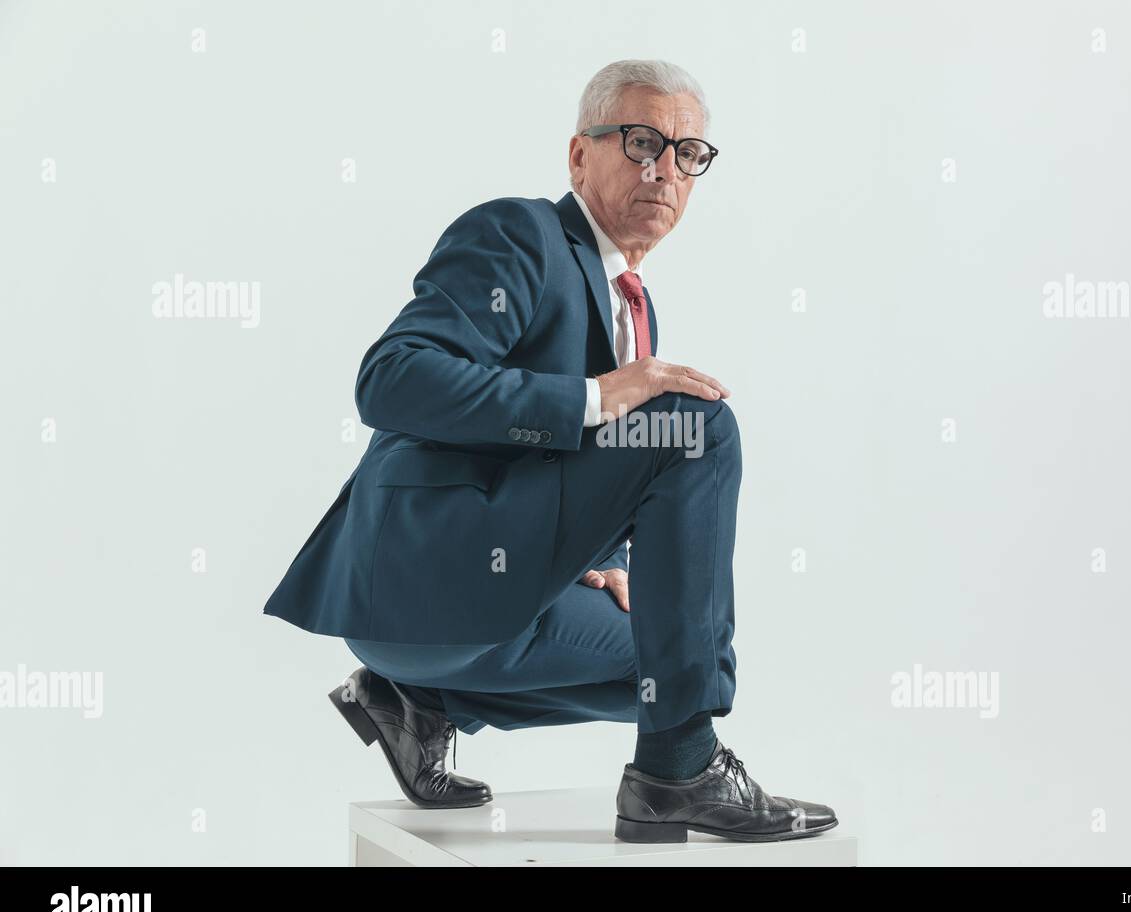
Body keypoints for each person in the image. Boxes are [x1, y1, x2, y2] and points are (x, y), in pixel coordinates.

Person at [266, 59, 837, 843]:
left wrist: (602, 559)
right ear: (579, 155)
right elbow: (392, 378)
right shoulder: (521, 236)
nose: (664, 169)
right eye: (642, 142)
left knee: (688, 652)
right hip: (423, 578)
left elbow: (588, 480)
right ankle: (678, 771)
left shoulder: (634, 306)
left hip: (468, 625)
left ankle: (415, 705)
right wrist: (595, 398)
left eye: (688, 153)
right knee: (695, 425)